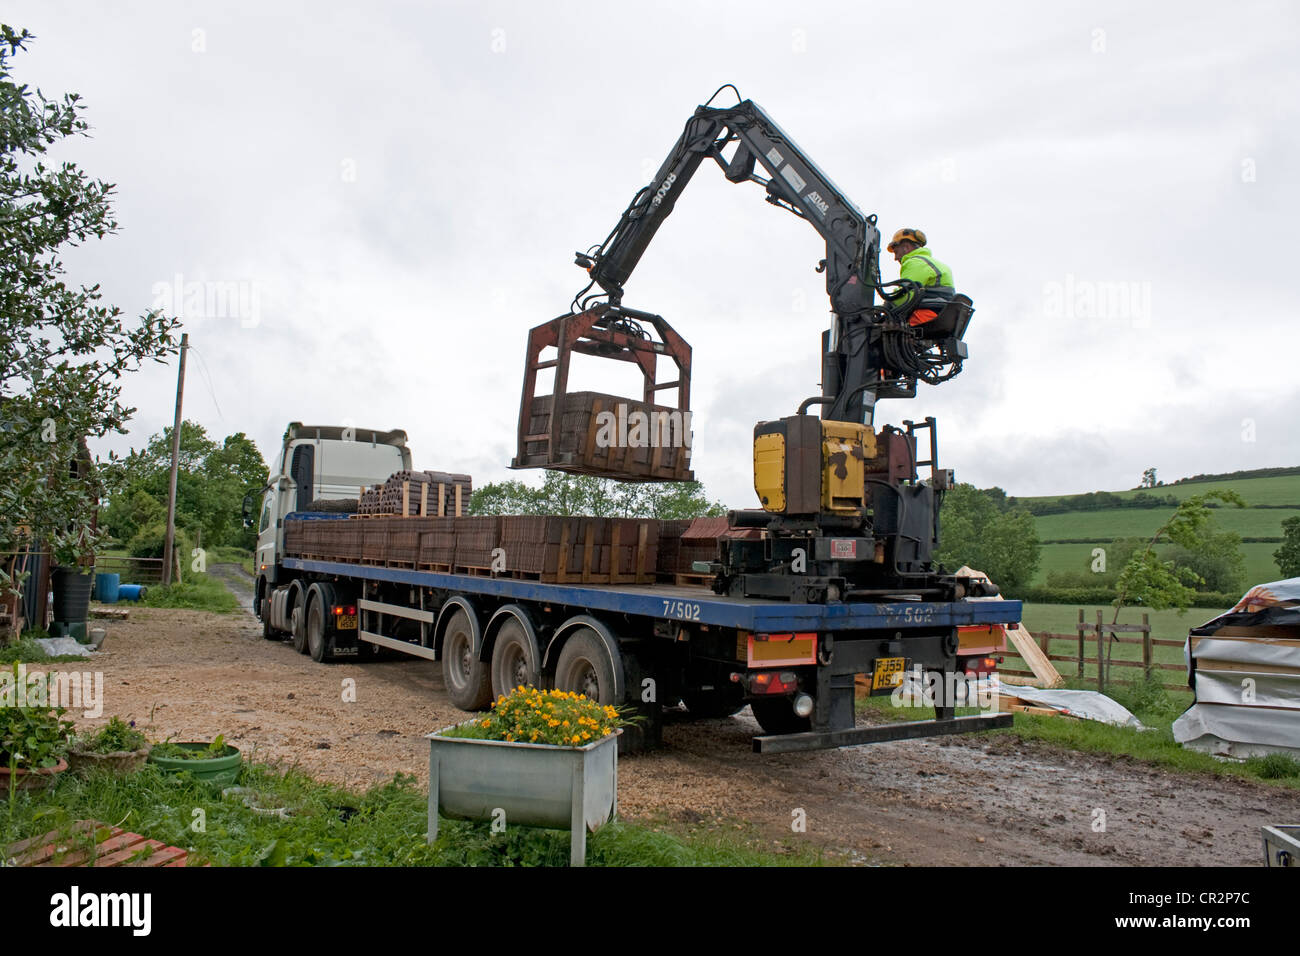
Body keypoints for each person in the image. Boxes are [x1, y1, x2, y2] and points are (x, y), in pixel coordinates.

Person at [883, 228, 954, 327]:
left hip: (925, 317)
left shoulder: (915, 262)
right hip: (942, 317)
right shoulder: (936, 264)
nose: (895, 258)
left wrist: (886, 305)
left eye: (896, 252)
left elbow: (906, 296)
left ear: (906, 247)